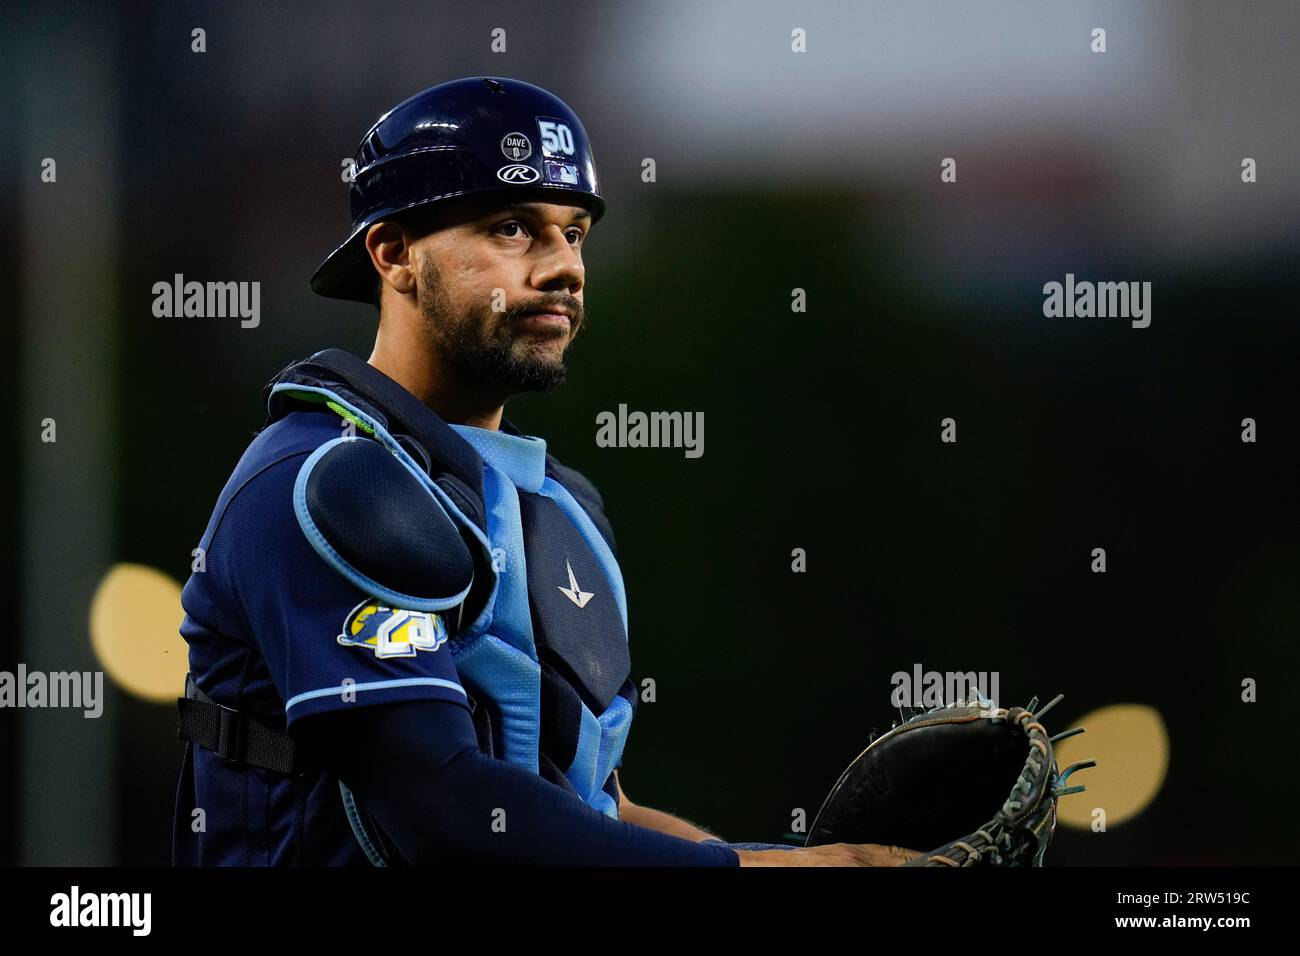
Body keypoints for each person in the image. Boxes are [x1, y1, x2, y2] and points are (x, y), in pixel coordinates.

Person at [172, 76, 914, 867]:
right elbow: (446, 807)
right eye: (514, 229)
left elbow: (598, 812)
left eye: (575, 232)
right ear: (392, 254)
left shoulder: (561, 505)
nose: (566, 267)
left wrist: (814, 860)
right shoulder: (326, 484)